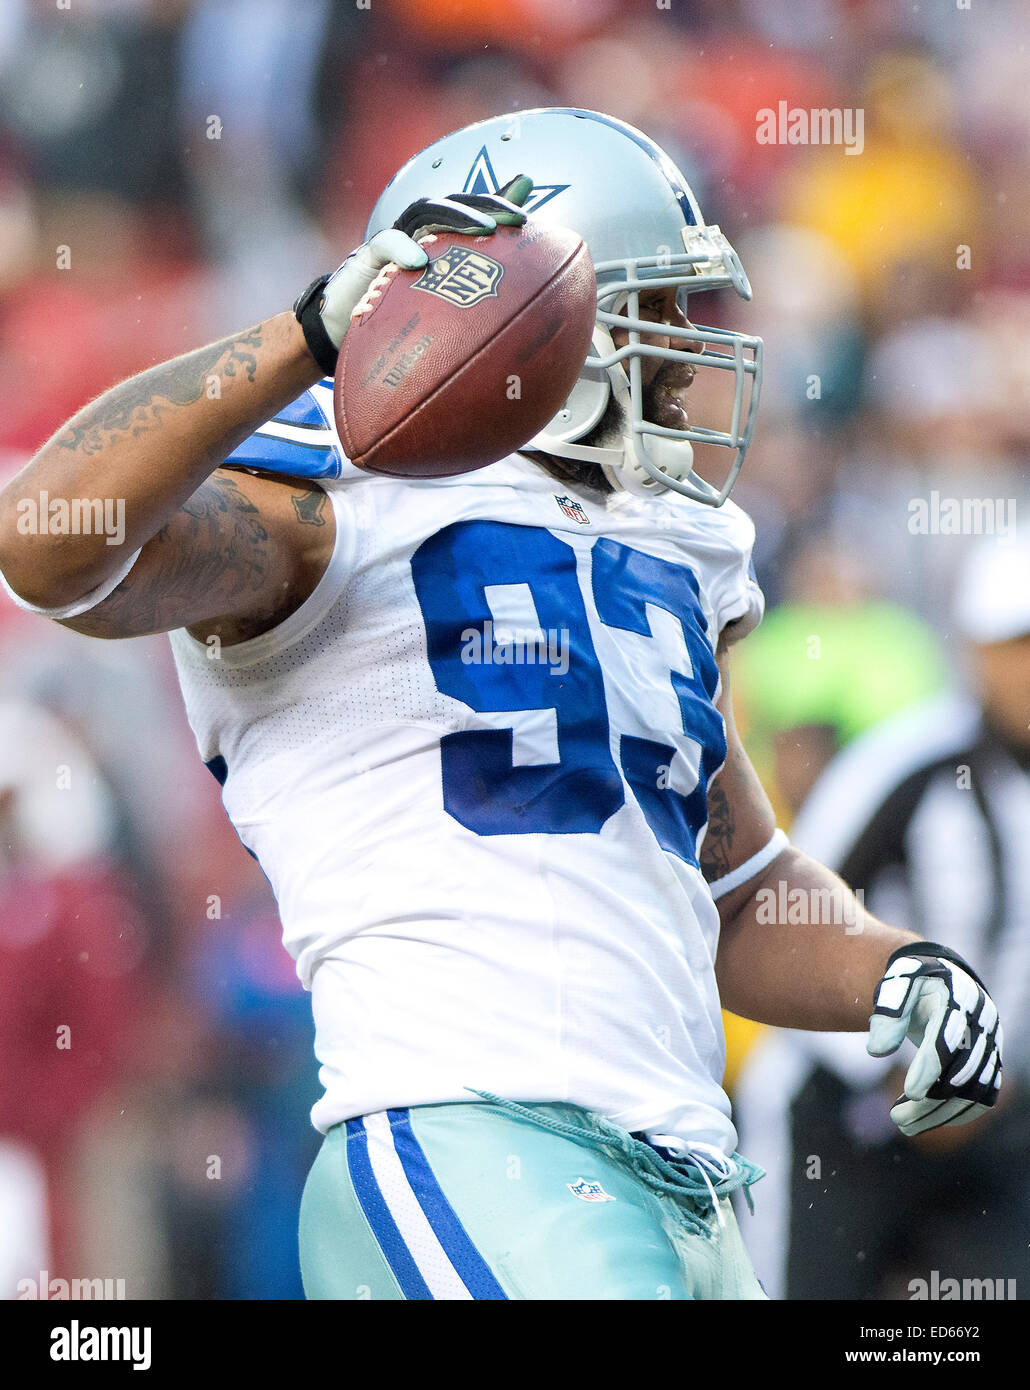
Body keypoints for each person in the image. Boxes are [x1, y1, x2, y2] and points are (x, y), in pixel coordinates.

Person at [0, 108, 1002, 1301]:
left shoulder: (671, 543)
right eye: (659, 308)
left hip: (685, 1167)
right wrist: (307, 336)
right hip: (466, 1134)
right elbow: (45, 546)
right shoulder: (325, 508)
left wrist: (893, 970)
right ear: (521, 315)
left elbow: (733, 889)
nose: (689, 349)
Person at [734, 533, 1030, 1300]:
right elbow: (784, 922)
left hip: (996, 1122)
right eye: (1020, 645)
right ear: (975, 650)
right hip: (843, 1116)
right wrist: (907, 1068)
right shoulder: (909, 766)